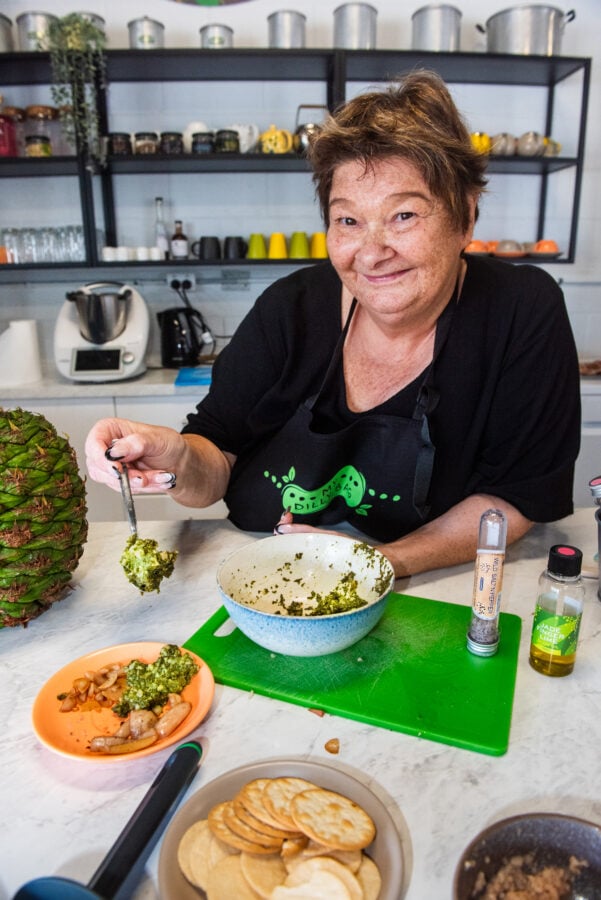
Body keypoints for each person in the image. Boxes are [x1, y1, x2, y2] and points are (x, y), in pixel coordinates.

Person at [85, 70, 580, 578]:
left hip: (438, 586)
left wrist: (376, 565)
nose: (372, 251)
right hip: (265, 578)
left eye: (404, 215)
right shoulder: (290, 308)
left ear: (466, 218)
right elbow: (214, 461)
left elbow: (514, 497)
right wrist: (178, 460)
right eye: (347, 221)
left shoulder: (520, 309)